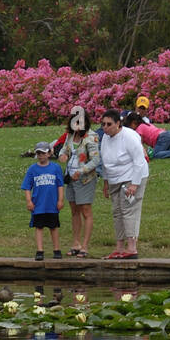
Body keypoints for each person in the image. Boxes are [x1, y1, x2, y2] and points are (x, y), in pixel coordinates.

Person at [99, 109, 149, 260]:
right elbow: (105, 162)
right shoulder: (106, 138)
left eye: (109, 124)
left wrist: (134, 184)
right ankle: (119, 247)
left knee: (128, 210)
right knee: (117, 211)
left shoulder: (129, 137)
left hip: (132, 176)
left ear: (118, 124)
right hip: (114, 179)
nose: (105, 127)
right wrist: (106, 182)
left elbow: (140, 161)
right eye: (103, 124)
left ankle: (131, 247)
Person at [57, 106, 101, 257]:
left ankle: (85, 246)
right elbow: (65, 150)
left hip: (84, 179)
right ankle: (75, 243)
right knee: (74, 210)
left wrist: (81, 171)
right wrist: (62, 155)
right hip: (70, 177)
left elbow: (95, 160)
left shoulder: (91, 137)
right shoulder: (70, 136)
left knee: (86, 210)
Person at [21, 142, 64, 260]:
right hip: (38, 205)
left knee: (53, 226)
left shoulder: (56, 168)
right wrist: (29, 201)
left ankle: (57, 249)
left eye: (43, 153)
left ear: (49, 153)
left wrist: (60, 200)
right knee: (39, 227)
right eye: (38, 153)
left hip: (52, 204)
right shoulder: (32, 169)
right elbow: (27, 187)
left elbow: (60, 185)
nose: (41, 156)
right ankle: (40, 250)